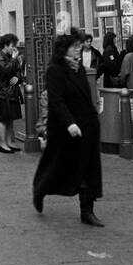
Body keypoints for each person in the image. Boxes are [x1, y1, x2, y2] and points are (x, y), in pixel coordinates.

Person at [32, 33, 104, 226]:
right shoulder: (55, 70)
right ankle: (40, 189)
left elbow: (85, 96)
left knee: (88, 169)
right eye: (74, 47)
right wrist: (70, 123)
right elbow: (57, 101)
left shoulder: (79, 68)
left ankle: (87, 211)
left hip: (87, 127)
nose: (78, 49)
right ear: (64, 50)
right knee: (57, 166)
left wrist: (93, 119)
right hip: (65, 129)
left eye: (79, 46)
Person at [0, 33, 23, 153]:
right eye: (12, 46)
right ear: (5, 45)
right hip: (2, 93)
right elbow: (5, 71)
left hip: (11, 91)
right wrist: (14, 60)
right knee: (3, 119)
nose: (14, 49)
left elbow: (18, 74)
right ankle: (3, 144)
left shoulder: (10, 57)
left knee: (10, 119)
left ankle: (9, 142)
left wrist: (16, 80)